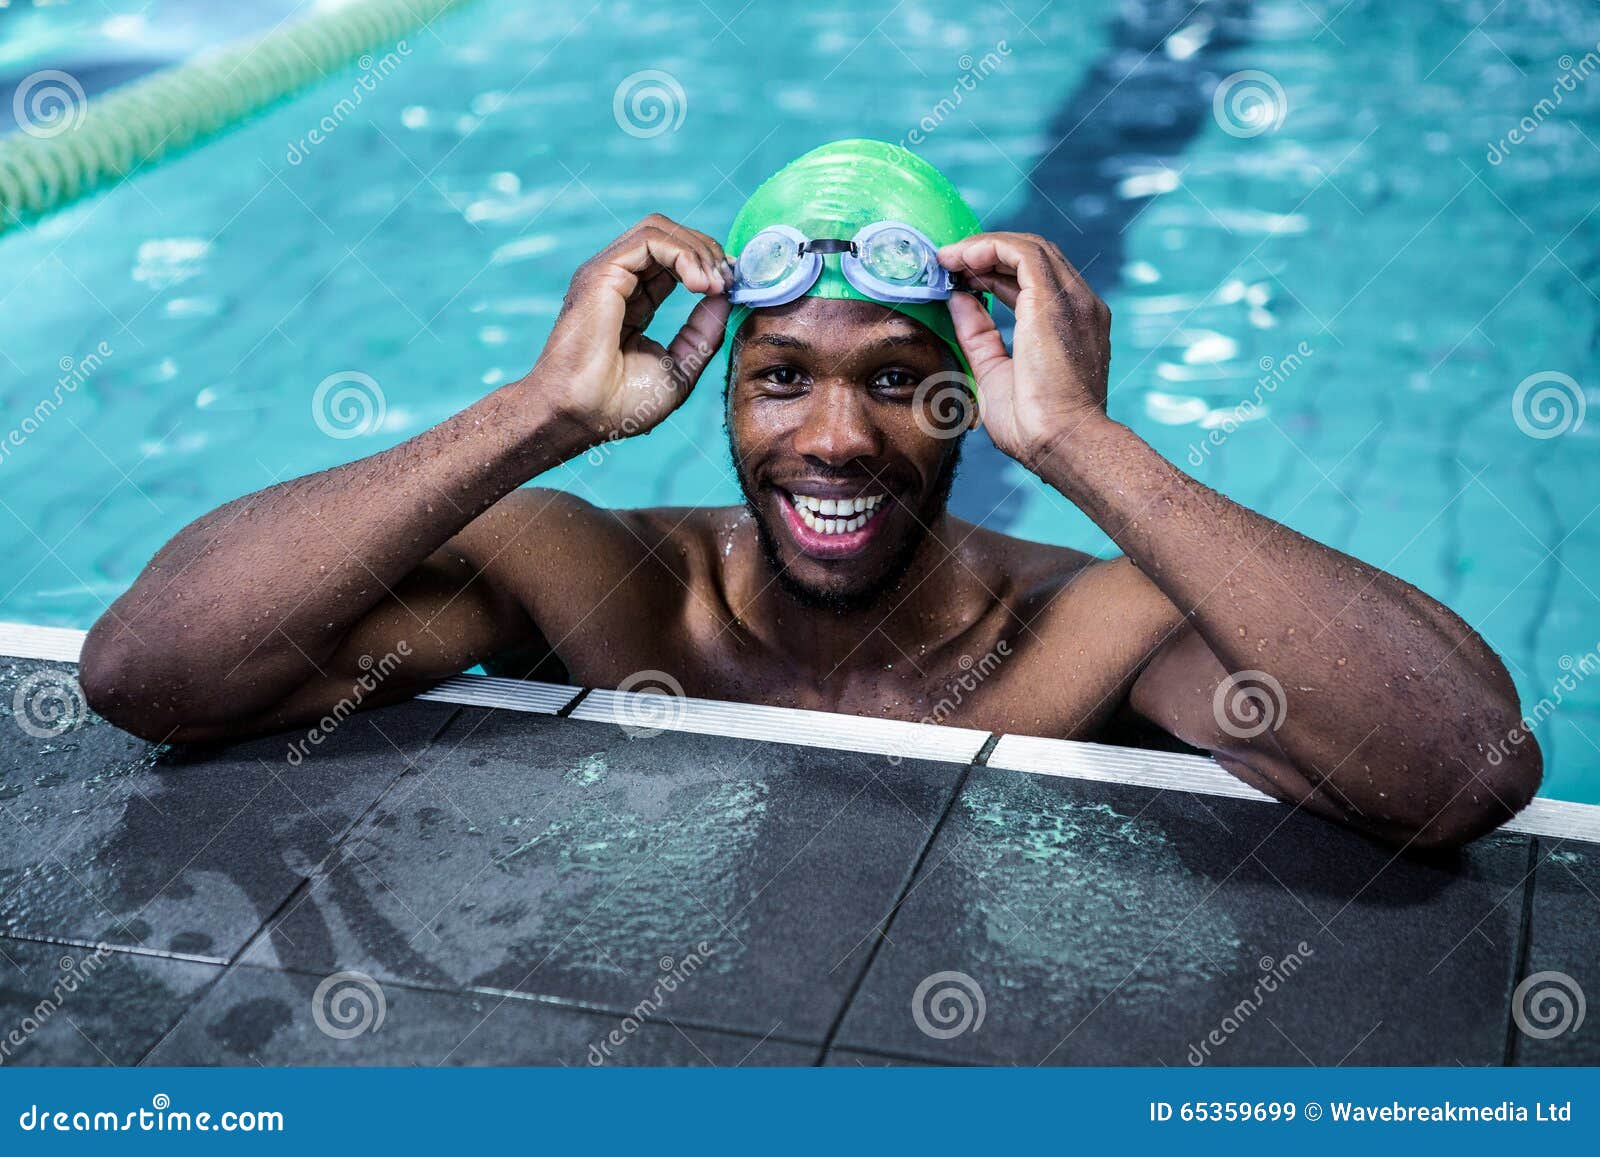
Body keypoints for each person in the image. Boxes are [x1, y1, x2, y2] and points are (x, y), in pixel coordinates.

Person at [80, 139, 1540, 848]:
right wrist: (537, 416)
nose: (835, 436)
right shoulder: (599, 583)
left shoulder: (1084, 631)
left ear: (975, 396)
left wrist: (1092, 445)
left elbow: (1462, 770)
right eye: (781, 376)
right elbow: (149, 668)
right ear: (719, 388)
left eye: (901, 380)